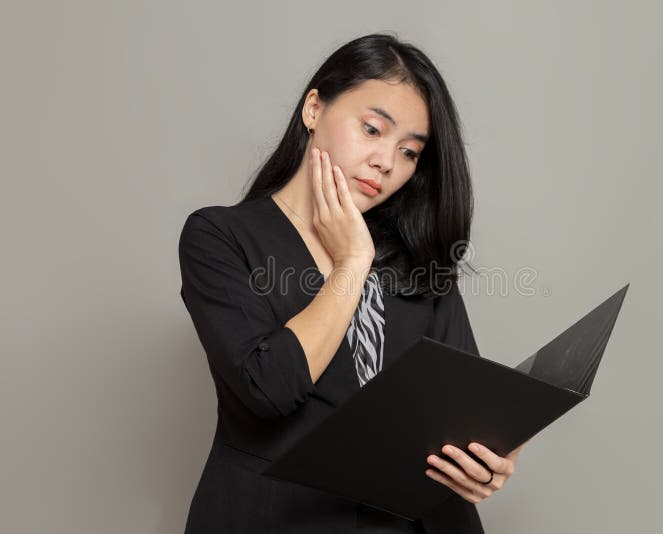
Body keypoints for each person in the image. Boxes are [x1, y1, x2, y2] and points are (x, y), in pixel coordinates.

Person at [178, 33, 526, 534]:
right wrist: (351, 263)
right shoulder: (221, 237)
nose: (387, 162)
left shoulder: (417, 257)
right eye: (372, 129)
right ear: (313, 109)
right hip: (279, 518)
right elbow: (270, 388)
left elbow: (466, 403)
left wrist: (491, 456)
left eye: (409, 152)